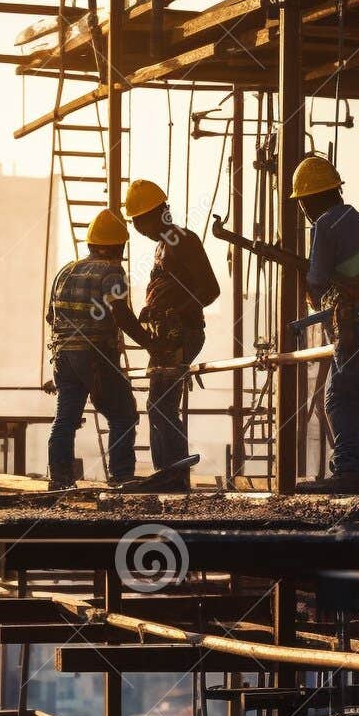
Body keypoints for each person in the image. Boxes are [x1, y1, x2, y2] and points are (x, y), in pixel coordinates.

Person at [292, 155, 359, 495]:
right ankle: (356, 471)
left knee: (338, 400)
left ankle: (350, 472)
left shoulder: (324, 225)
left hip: (358, 325)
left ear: (310, 199)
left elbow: (317, 280)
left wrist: (304, 278)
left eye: (303, 203)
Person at [123, 178, 221, 492]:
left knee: (160, 404)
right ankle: (167, 472)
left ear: (156, 214)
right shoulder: (164, 245)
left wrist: (174, 312)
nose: (138, 229)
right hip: (168, 335)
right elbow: (174, 288)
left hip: (183, 333)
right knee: (158, 403)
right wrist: (153, 309)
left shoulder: (183, 240)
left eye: (140, 222)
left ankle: (173, 473)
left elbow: (210, 289)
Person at [45, 209, 155, 488]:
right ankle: (121, 476)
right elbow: (121, 314)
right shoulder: (112, 271)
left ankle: (59, 480)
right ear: (118, 245)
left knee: (65, 419)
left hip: (62, 356)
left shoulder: (65, 270)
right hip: (94, 355)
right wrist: (152, 344)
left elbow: (50, 317)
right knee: (122, 414)